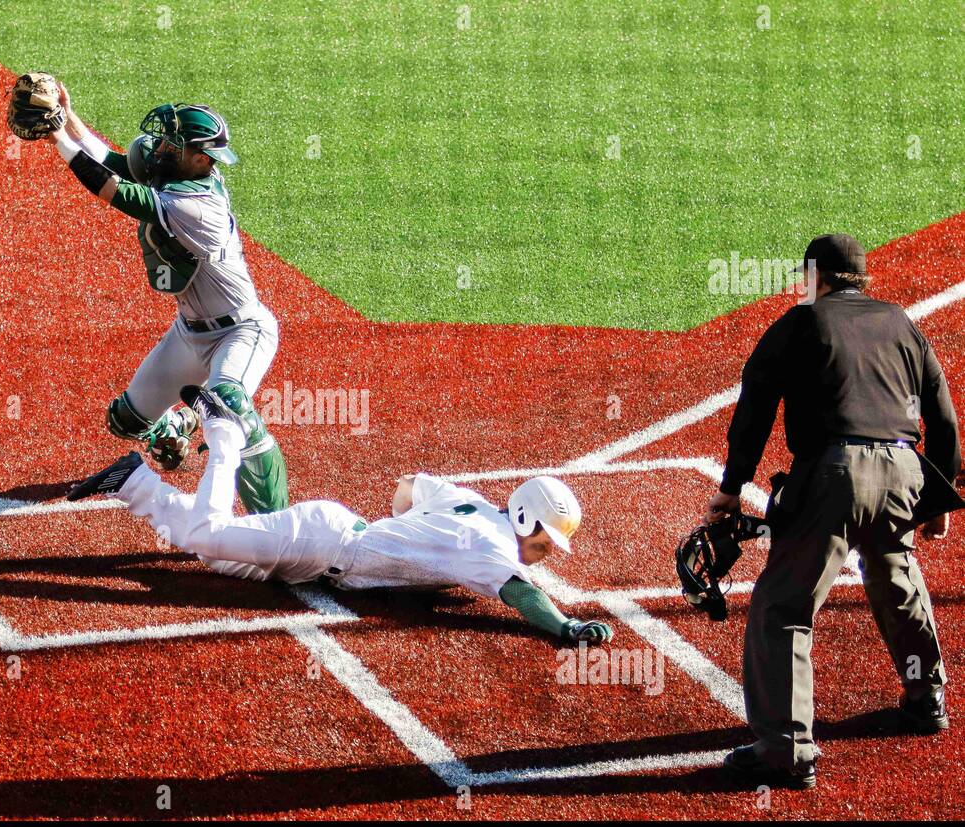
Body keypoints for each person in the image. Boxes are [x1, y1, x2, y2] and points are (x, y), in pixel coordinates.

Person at [704, 233, 964, 789]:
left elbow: (756, 404)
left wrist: (731, 487)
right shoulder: (901, 322)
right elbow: (942, 417)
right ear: (863, 278)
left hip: (835, 476)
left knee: (784, 607)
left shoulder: (802, 322)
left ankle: (786, 750)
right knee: (895, 577)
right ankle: (927, 699)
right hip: (903, 471)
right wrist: (938, 499)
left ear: (812, 277)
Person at [73, 385, 616, 645]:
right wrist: (565, 626)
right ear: (524, 518)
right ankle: (222, 430)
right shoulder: (491, 545)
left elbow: (408, 487)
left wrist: (402, 540)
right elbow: (523, 595)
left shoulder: (469, 503)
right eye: (545, 543)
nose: (544, 557)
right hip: (325, 543)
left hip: (327, 548)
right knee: (208, 535)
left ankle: (133, 482)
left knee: (215, 559)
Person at [48, 88, 287, 513]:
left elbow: (113, 190)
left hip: (240, 331)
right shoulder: (178, 175)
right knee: (126, 420)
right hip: (188, 333)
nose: (159, 148)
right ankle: (176, 427)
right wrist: (68, 118)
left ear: (199, 157)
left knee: (229, 407)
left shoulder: (195, 205)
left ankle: (276, 525)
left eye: (170, 143)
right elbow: (117, 164)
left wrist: (57, 141)